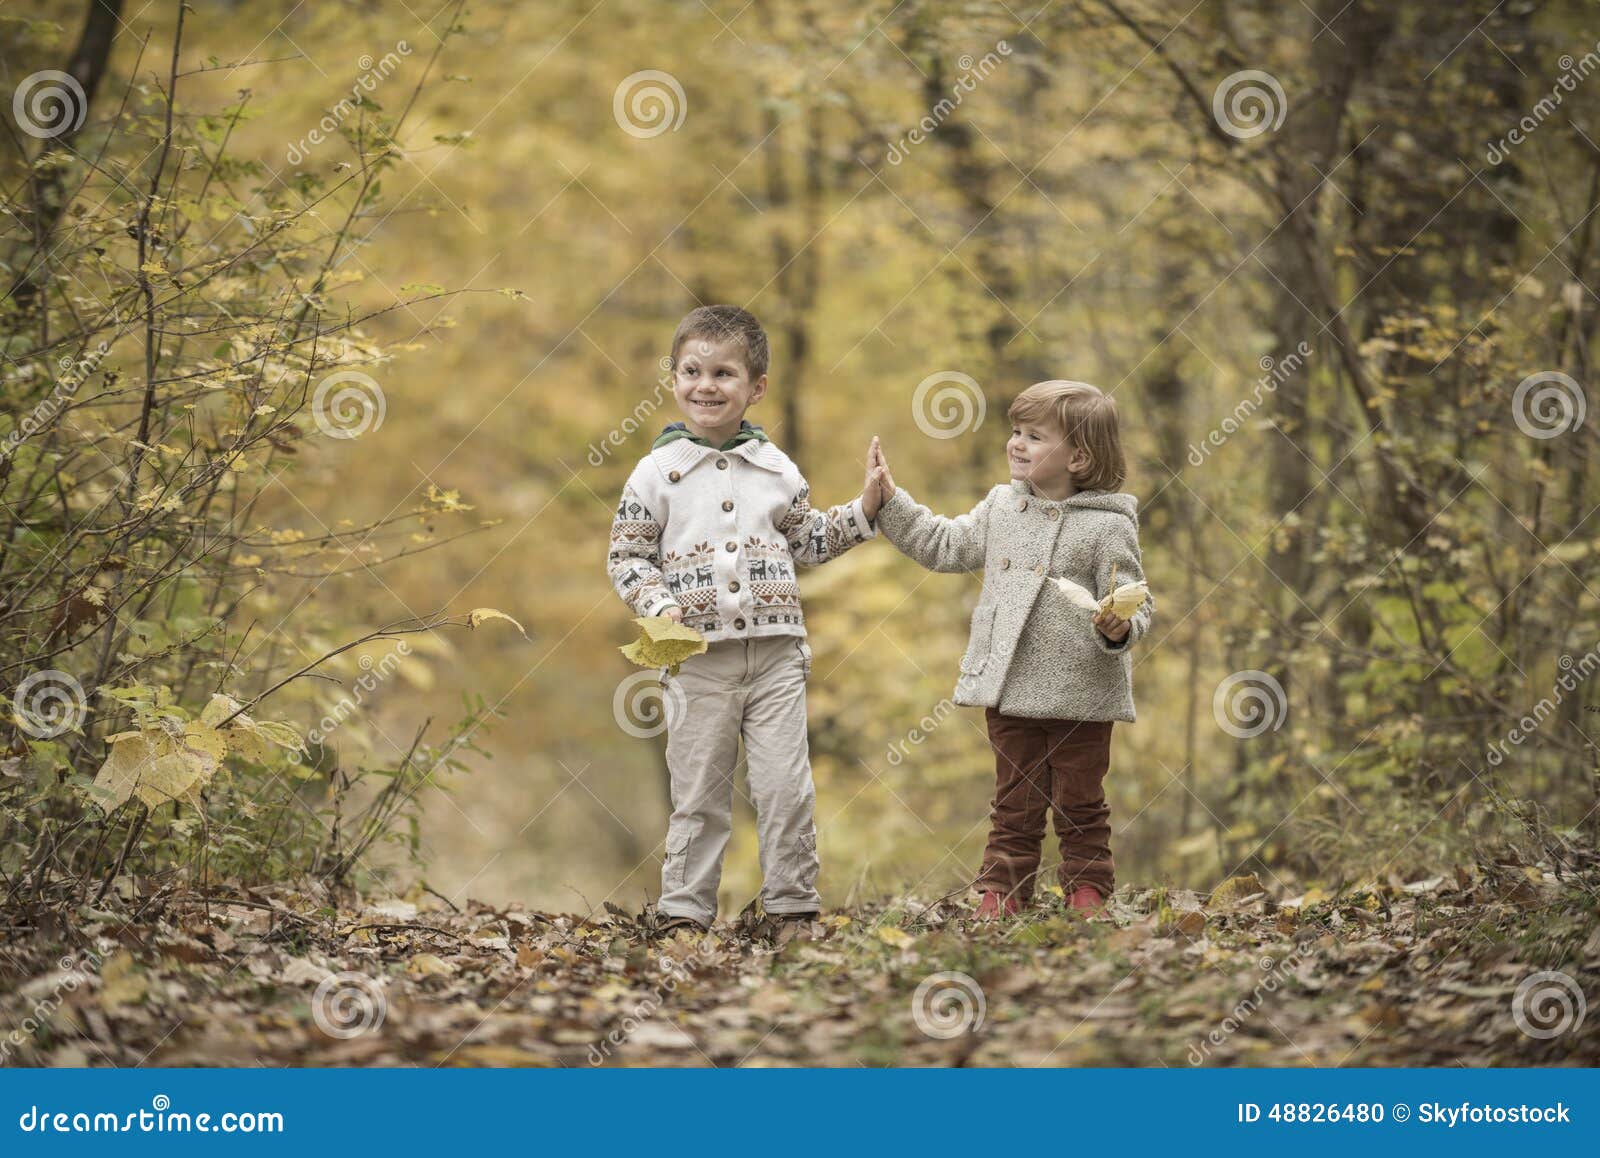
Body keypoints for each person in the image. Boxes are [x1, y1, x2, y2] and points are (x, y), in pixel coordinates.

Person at [607, 304, 883, 936]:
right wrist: (659, 605)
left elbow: (809, 541)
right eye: (691, 371)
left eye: (723, 373)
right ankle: (684, 915)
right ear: (673, 378)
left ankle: (791, 908)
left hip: (777, 656)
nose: (705, 385)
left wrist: (865, 509)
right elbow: (626, 557)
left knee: (786, 789)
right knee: (699, 795)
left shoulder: (776, 468)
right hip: (697, 661)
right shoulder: (656, 474)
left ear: (755, 388)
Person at [866, 380, 1153, 919]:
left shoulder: (1108, 525)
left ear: (1078, 457)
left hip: (1081, 694)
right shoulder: (1002, 506)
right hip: (1009, 685)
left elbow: (1136, 596)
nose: (1016, 443)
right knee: (1013, 802)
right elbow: (945, 544)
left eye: (1034, 436)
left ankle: (1088, 891)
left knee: (1080, 802)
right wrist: (890, 502)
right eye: (1016, 431)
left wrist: (1121, 626)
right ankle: (1001, 892)